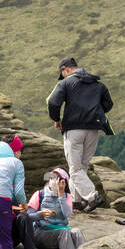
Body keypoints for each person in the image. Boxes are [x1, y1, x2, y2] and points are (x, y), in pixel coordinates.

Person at [47, 57, 114, 212]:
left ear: (66, 69)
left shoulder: (66, 83)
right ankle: (76, 203)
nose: (63, 76)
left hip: (74, 129)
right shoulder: (98, 84)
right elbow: (108, 104)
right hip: (93, 129)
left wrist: (57, 119)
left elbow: (53, 102)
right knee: (81, 167)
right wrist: (93, 113)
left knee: (75, 169)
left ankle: (92, 196)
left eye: (62, 73)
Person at [26, 167, 86, 249]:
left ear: (64, 183)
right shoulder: (39, 195)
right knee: (64, 233)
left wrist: (61, 195)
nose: (54, 180)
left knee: (77, 231)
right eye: (52, 177)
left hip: (60, 229)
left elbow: (67, 214)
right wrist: (39, 215)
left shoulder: (67, 197)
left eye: (58, 178)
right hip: (41, 233)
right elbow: (27, 217)